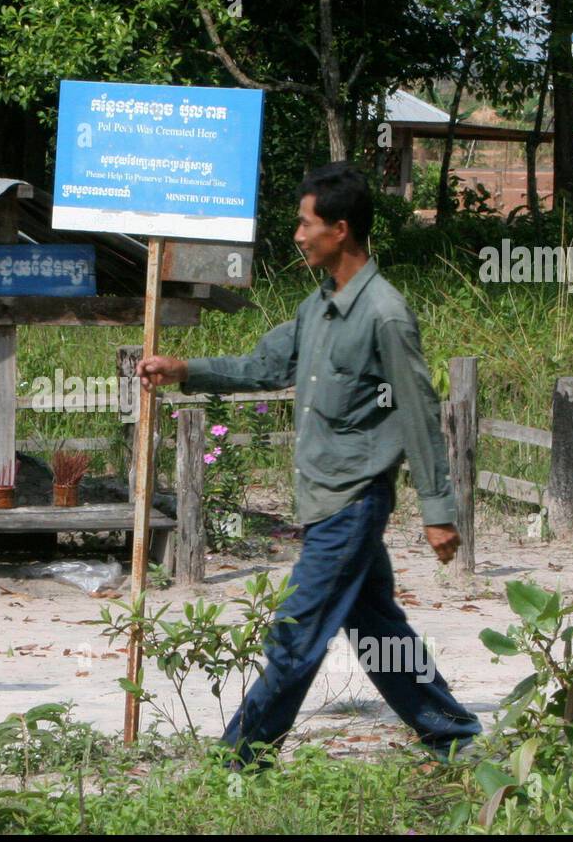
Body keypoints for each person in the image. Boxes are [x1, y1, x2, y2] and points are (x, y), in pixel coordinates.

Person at [137, 161, 481, 766]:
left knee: (296, 635)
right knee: (378, 634)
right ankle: (452, 735)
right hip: (324, 500)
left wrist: (438, 511)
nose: (297, 235)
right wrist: (184, 369)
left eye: (306, 223)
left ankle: (239, 760)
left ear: (340, 229)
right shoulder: (317, 307)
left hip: (354, 500)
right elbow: (263, 366)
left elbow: (419, 414)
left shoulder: (385, 315)